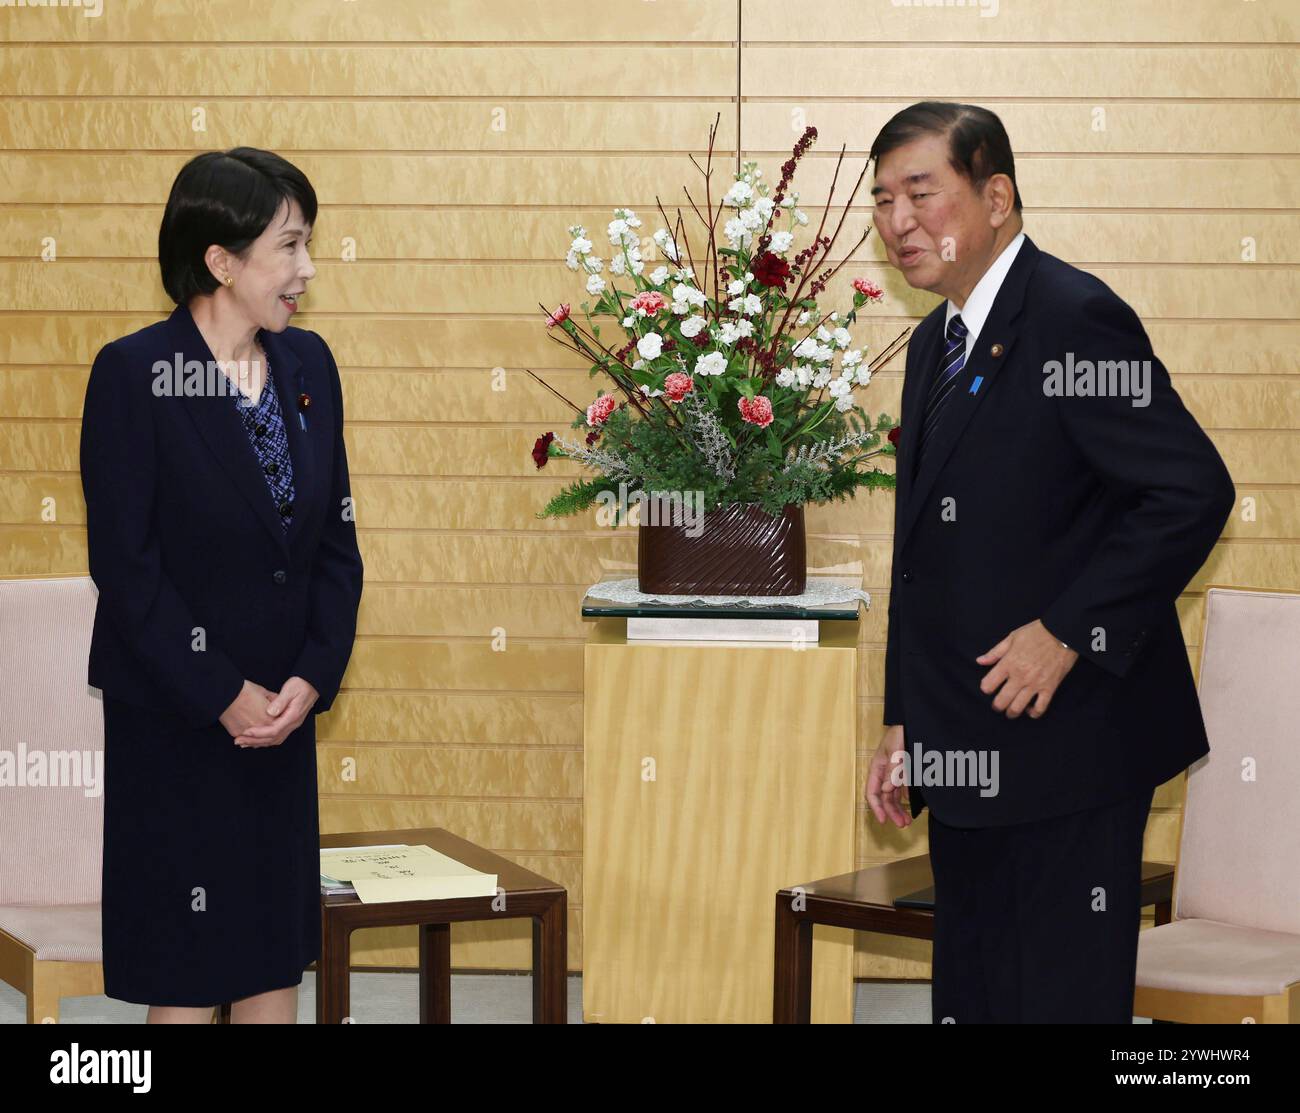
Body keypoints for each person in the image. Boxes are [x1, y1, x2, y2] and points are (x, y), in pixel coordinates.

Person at [861, 103, 1235, 1023]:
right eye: (882, 200)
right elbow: (921, 553)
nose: (898, 222)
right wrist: (904, 718)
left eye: (920, 193)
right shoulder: (930, 344)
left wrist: (1071, 629)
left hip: (1073, 740)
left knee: (1057, 998)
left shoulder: (1074, 317)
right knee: (978, 993)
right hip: (964, 743)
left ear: (996, 196)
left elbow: (1191, 491)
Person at [79, 147, 364, 1023]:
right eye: (289, 246)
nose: (306, 270)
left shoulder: (308, 365)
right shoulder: (135, 375)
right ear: (221, 260)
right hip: (177, 719)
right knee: (191, 971)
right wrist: (222, 693)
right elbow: (127, 570)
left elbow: (335, 546)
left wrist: (311, 676)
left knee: (271, 956)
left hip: (280, 715)